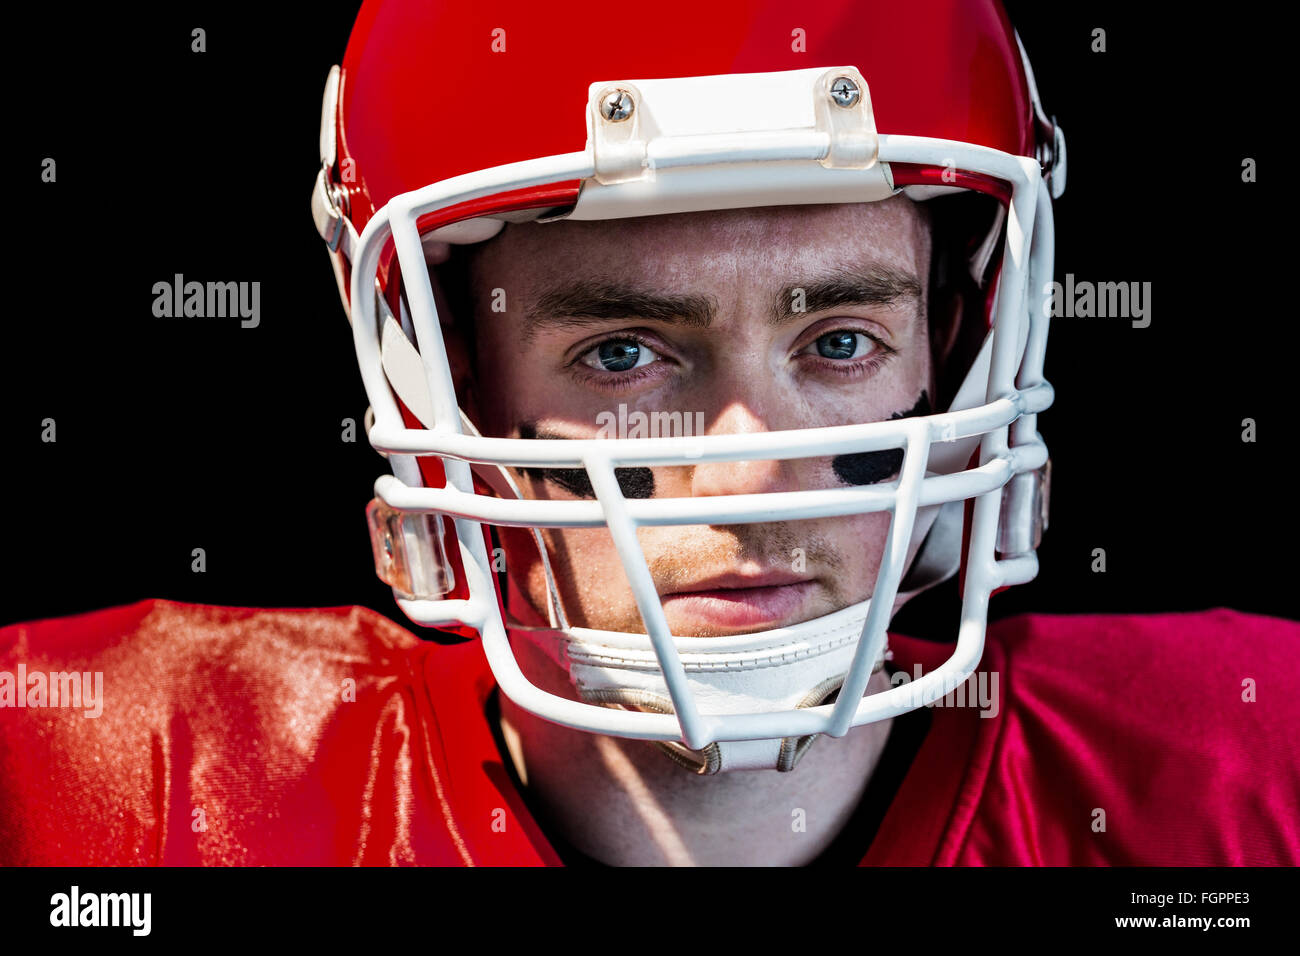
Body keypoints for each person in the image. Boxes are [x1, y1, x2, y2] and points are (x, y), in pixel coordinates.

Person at [2, 0, 1296, 866]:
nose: (749, 472)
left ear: (951, 346)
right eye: (624, 354)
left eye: (840, 342)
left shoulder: (1246, 775)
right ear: (447, 369)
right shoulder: (119, 784)